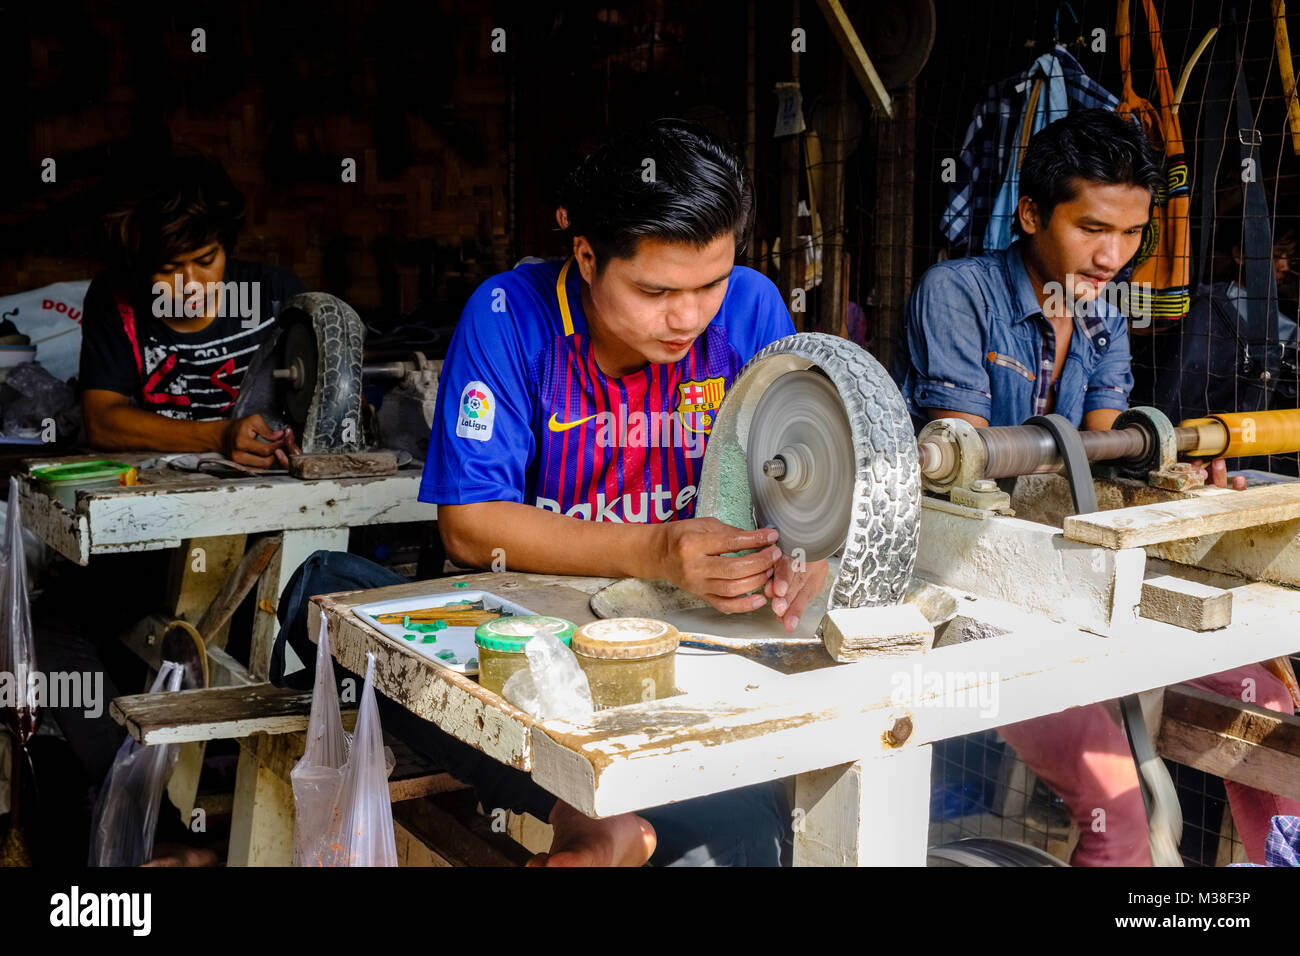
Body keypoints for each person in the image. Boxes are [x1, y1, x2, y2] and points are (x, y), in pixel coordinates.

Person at [273, 119, 820, 866]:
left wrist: (803, 555)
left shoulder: (752, 312)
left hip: (692, 643)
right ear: (588, 256)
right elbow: (469, 528)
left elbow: (797, 488)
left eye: (710, 284)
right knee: (322, 597)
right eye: (656, 290)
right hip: (536, 645)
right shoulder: (510, 317)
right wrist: (658, 550)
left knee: (753, 805)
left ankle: (610, 825)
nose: (689, 316)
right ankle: (600, 815)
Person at [898, 107, 1300, 865]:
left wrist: (1167, 468)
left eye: (1131, 233)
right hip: (969, 587)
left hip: (1075, 565)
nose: (1114, 256)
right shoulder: (956, 293)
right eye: (1091, 229)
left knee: (1270, 707)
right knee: (1122, 816)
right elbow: (963, 460)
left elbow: (1110, 447)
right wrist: (1099, 456)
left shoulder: (1103, 312)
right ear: (1029, 213)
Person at [79, 154, 306, 467]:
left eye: (206, 261)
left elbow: (339, 398)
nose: (191, 285)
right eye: (169, 268)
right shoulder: (115, 301)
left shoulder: (276, 295)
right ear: (138, 268)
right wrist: (221, 436)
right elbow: (101, 422)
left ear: (226, 246)